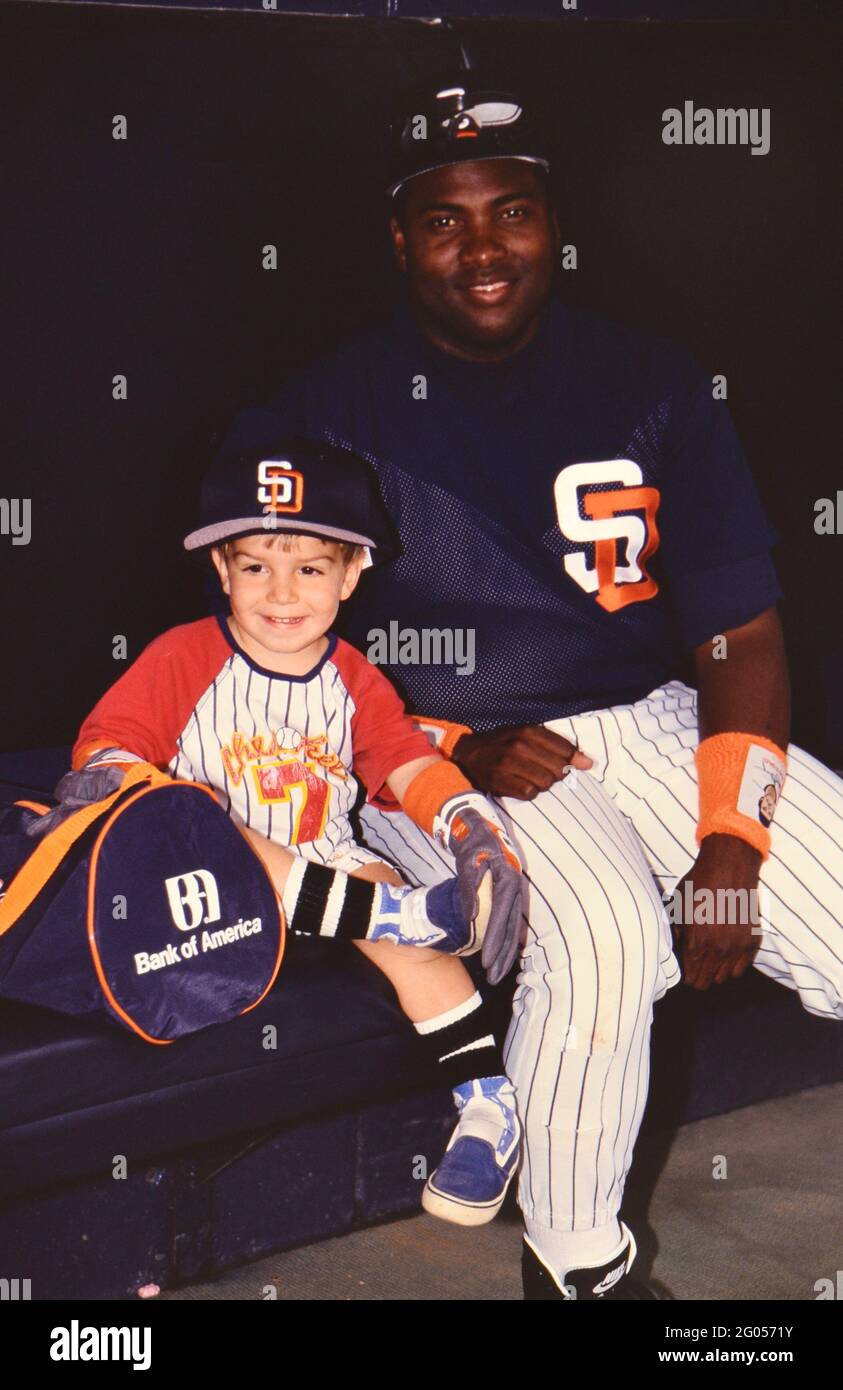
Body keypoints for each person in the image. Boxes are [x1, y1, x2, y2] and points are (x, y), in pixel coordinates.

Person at [214, 74, 843, 1301]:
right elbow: (281, 653)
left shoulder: (655, 380)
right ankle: (578, 1268)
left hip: (641, 717)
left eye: (512, 210)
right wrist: (453, 738)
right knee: (604, 939)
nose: (484, 247)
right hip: (428, 756)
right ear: (401, 240)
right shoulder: (327, 413)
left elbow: (741, 634)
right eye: (446, 220)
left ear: (554, 222)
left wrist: (730, 839)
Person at [67, 435, 526, 1225]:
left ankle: (488, 1106)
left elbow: (404, 761)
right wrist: (113, 771)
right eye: (255, 567)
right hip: (206, 881)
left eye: (310, 568)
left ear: (352, 573)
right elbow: (106, 747)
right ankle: (402, 915)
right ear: (221, 569)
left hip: (324, 860)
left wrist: (466, 825)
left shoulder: (352, 674)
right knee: (209, 816)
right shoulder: (183, 657)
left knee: (410, 936)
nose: (281, 592)